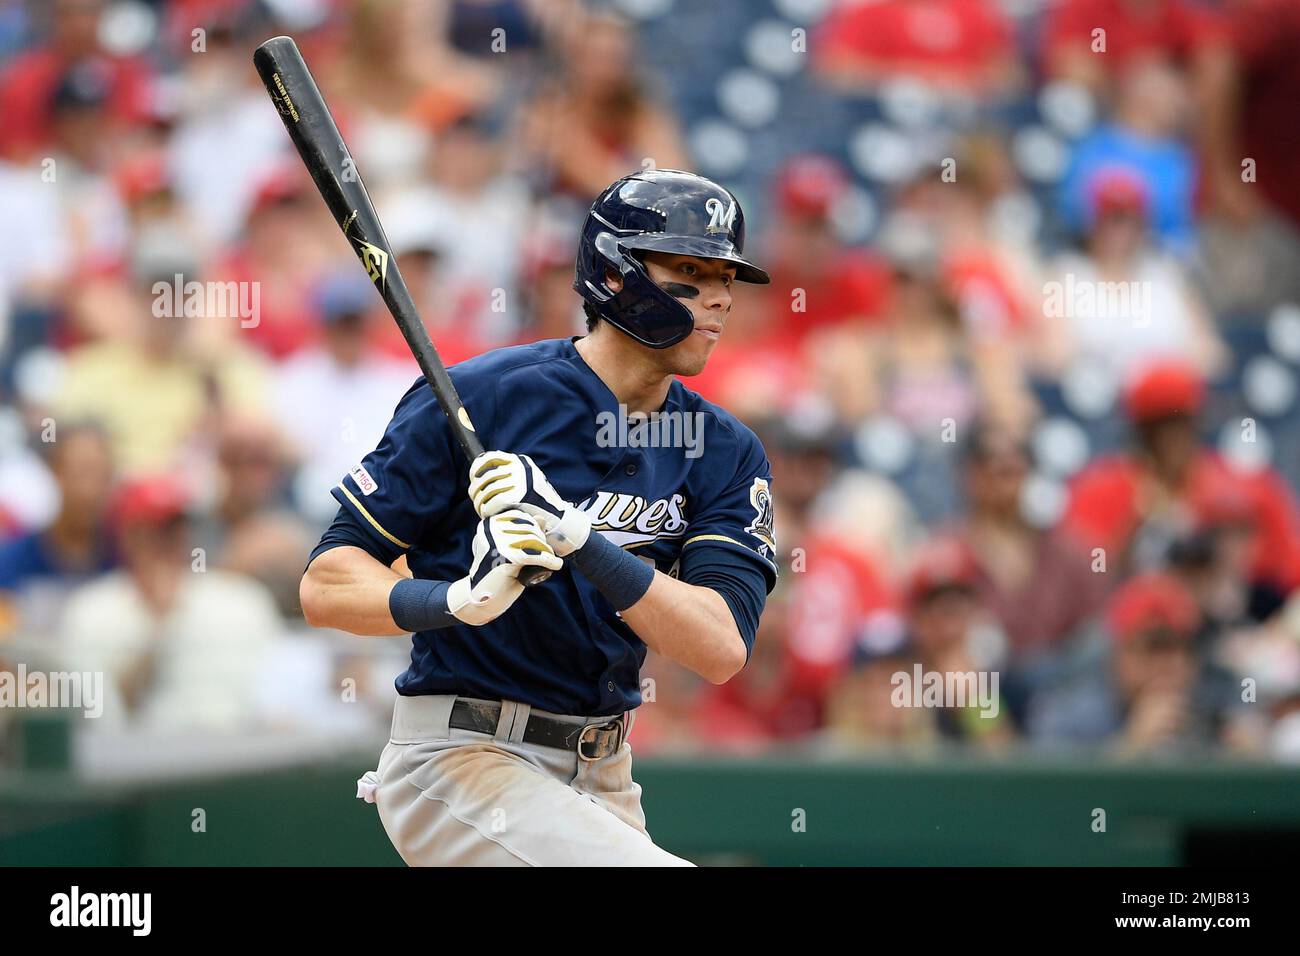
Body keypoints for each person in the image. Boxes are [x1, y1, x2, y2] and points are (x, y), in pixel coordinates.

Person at [300, 169, 778, 866]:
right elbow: (326, 584)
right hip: (464, 756)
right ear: (617, 275)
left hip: (605, 773)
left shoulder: (724, 449)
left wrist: (580, 538)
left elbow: (720, 647)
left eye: (726, 278)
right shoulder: (485, 398)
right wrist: (454, 601)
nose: (718, 297)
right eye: (689, 271)